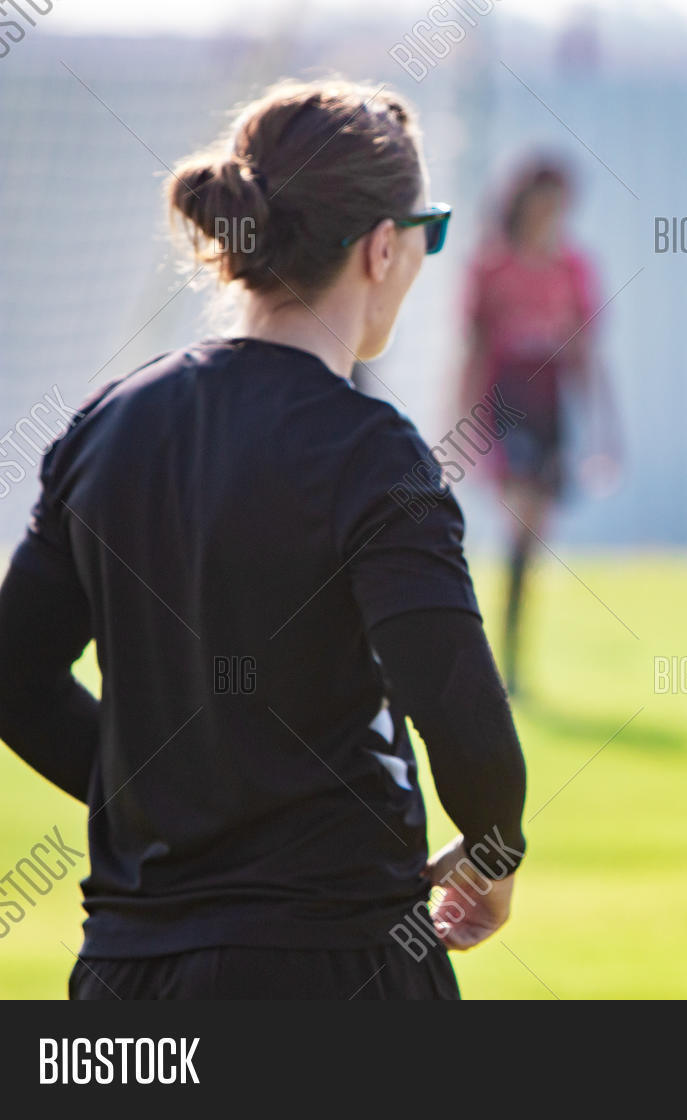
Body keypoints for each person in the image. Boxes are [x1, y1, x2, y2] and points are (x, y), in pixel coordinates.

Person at [0, 79, 526, 999]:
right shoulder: (371, 452)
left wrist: (156, 800)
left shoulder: (105, 427)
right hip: (332, 966)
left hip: (126, 975)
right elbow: (465, 724)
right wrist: (495, 849)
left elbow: (13, 676)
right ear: (381, 248)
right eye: (427, 234)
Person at [458, 158, 615, 692]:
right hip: (508, 400)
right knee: (519, 522)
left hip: (551, 405)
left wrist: (604, 432)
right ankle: (497, 655)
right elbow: (473, 349)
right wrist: (461, 424)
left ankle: (512, 651)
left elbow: (588, 353)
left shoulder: (574, 268)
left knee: (535, 533)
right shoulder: (491, 267)